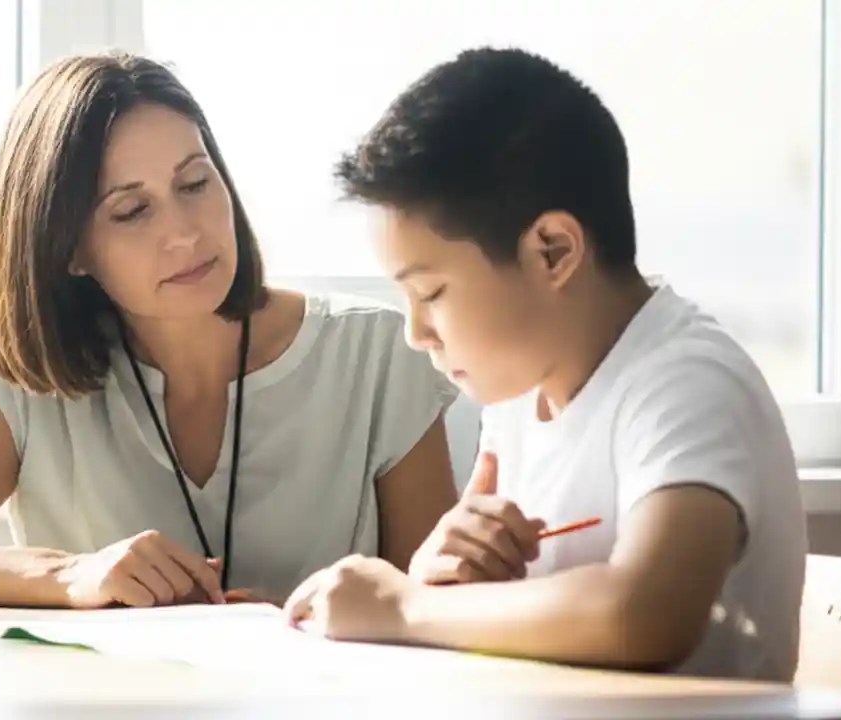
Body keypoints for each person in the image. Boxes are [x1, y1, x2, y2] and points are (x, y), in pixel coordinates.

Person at [0, 53, 459, 609]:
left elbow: (432, 611)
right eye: (131, 210)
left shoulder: (378, 355)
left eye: (195, 183)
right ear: (69, 249)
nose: (184, 232)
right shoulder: (35, 393)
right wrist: (71, 575)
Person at [284, 47, 806, 681]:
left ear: (553, 251)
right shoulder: (519, 394)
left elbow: (645, 614)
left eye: (430, 293)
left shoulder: (687, 382)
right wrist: (439, 579)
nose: (416, 333)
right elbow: (477, 607)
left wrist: (404, 606)